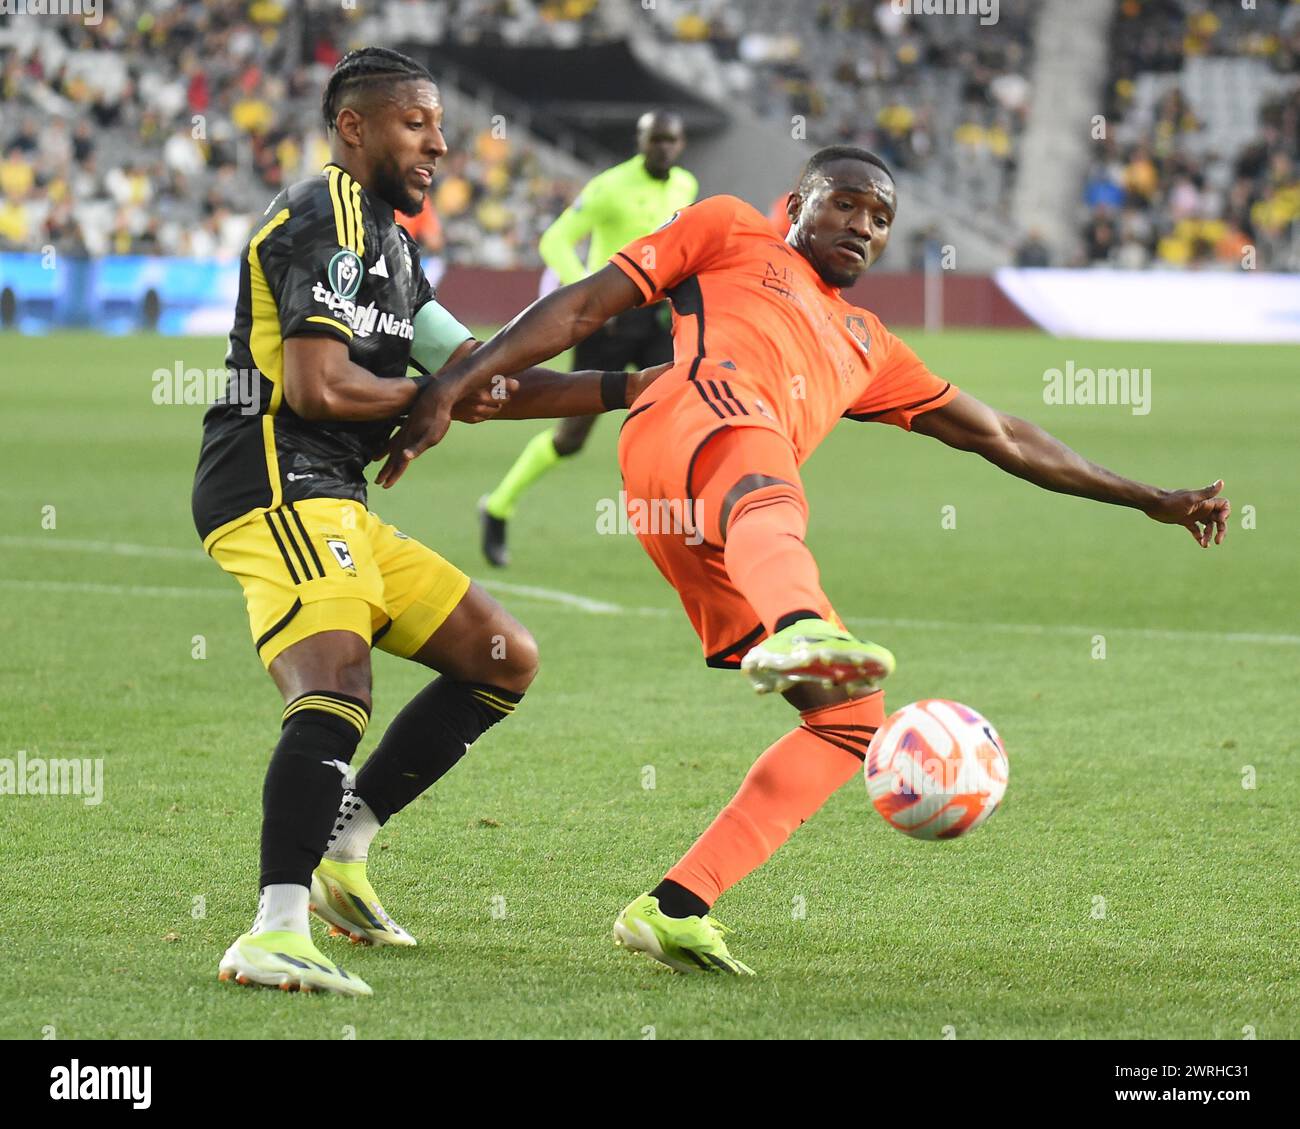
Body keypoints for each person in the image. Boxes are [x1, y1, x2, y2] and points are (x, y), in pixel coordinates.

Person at [377, 145, 1231, 976]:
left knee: (851, 719)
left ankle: (674, 906)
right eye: (845, 202)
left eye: (881, 217)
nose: (863, 224)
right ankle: (798, 624)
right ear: (796, 204)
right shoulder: (727, 228)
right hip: (687, 425)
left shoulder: (869, 343)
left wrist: (1149, 497)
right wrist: (456, 383)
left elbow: (1001, 434)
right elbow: (581, 307)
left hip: (715, 521)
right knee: (763, 459)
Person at [191, 47, 662, 997]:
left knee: (502, 655)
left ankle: (342, 850)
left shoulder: (395, 249)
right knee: (336, 681)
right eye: (417, 124)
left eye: (440, 126)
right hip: (275, 482)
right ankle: (273, 929)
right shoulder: (323, 212)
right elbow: (318, 386)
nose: (441, 144)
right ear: (353, 126)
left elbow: (486, 374)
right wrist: (431, 395)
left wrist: (633, 385)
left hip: (336, 497)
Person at [477, 110, 697, 567]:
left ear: (681, 144)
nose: (663, 148)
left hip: (657, 320)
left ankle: (680, 524)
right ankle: (498, 506)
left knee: (678, 409)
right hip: (610, 323)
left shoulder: (686, 186)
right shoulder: (608, 187)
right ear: (640, 140)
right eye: (655, 140)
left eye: (671, 141)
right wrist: (592, 299)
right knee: (571, 437)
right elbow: (554, 241)